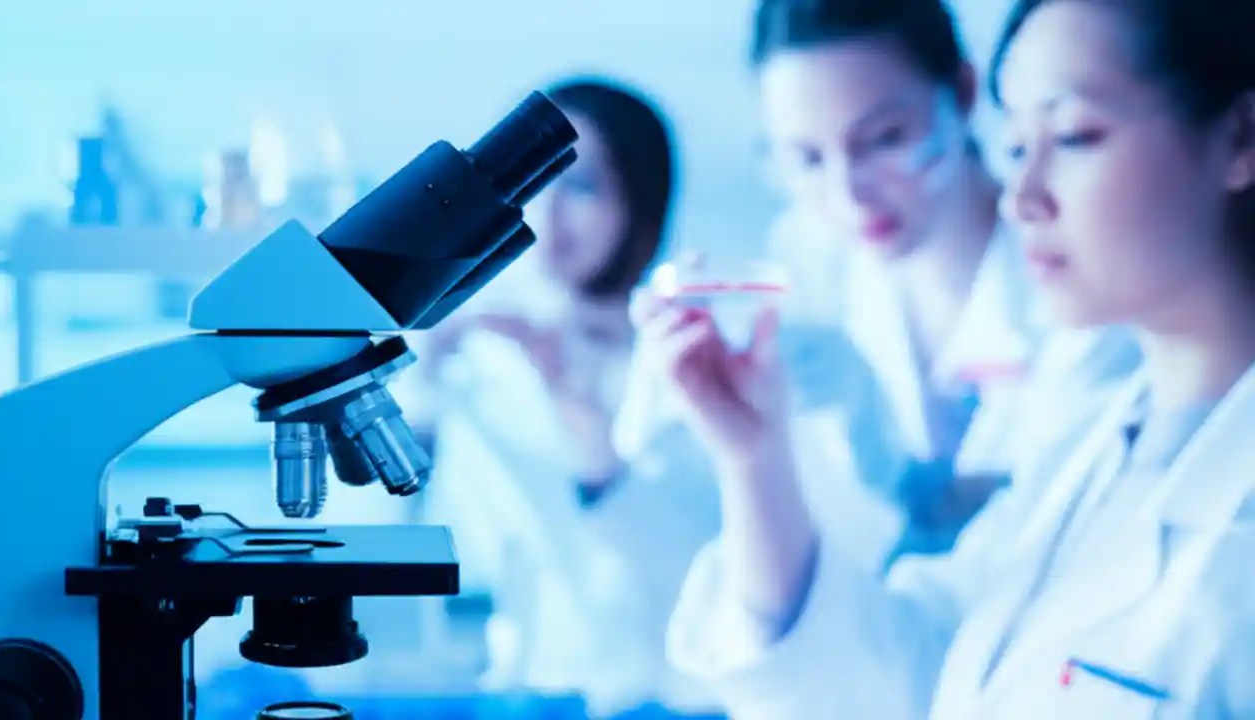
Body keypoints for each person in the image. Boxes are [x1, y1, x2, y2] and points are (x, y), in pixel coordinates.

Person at [636, 0, 1255, 716]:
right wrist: (754, 457)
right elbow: (899, 668)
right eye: (1017, 147)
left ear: (1240, 134)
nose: (1022, 198)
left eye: (1077, 135)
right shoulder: (1087, 458)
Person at [618, 0, 1140, 575]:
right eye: (807, 158)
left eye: (885, 139)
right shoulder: (810, 255)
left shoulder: (1083, 272)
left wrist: (882, 455)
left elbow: (1070, 515)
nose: (849, 195)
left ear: (962, 95)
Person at [420, 77, 723, 718]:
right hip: (525, 690)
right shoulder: (482, 356)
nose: (551, 214)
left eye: (583, 187)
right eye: (536, 186)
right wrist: (426, 365)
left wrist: (587, 435)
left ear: (641, 205)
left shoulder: (690, 360)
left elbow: (702, 571)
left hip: (672, 694)